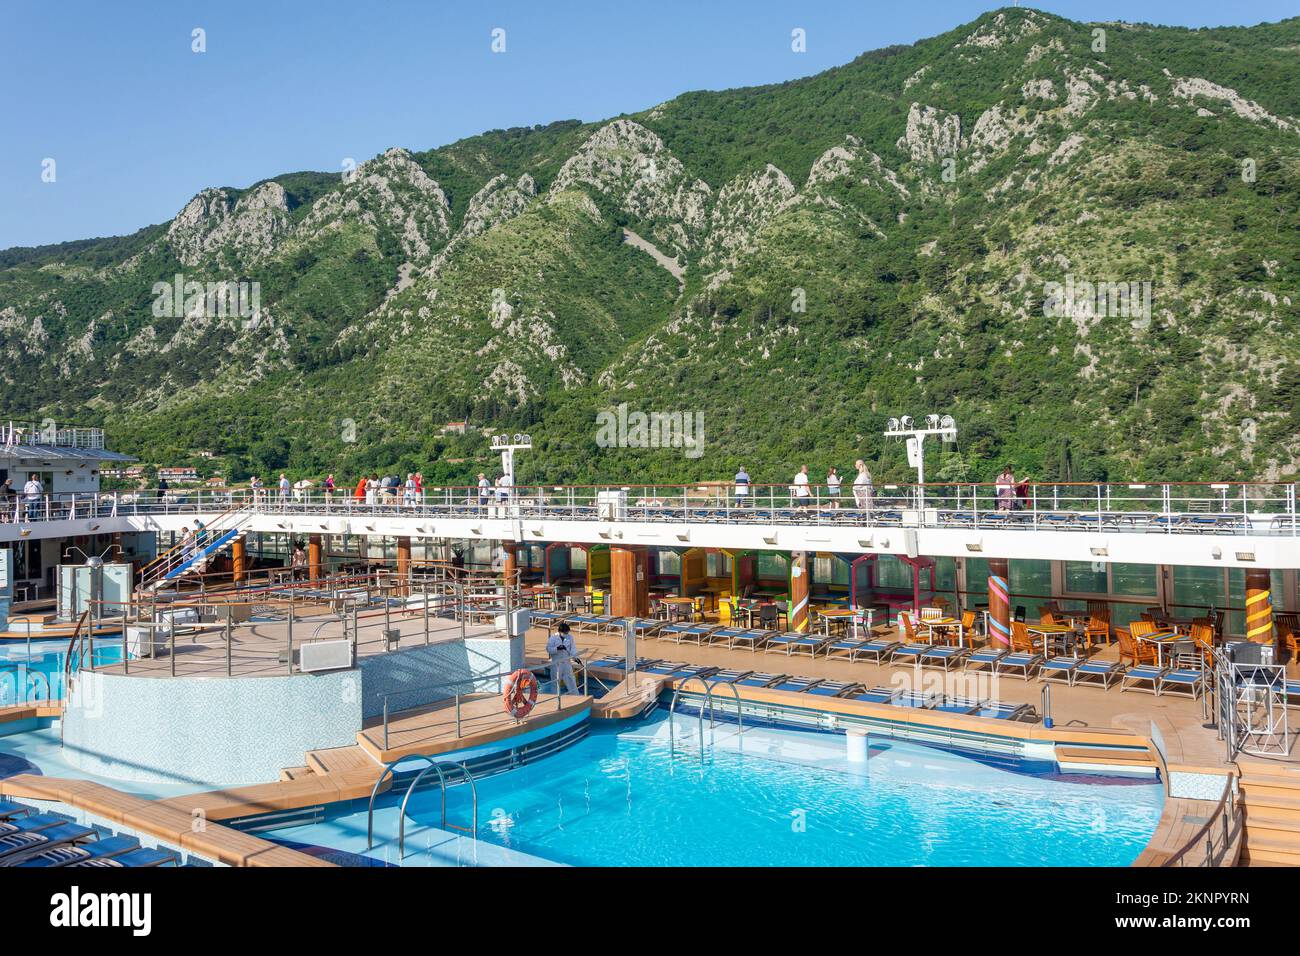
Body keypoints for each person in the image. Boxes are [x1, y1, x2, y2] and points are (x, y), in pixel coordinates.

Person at [546, 621, 579, 695]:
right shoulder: (553, 638)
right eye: (565, 633)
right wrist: (557, 648)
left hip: (567, 663)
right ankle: (555, 697)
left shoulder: (570, 637)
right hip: (556, 664)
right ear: (560, 632)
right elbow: (548, 649)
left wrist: (575, 657)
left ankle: (575, 695)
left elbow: (573, 648)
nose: (566, 634)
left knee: (571, 680)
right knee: (555, 681)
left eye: (567, 632)